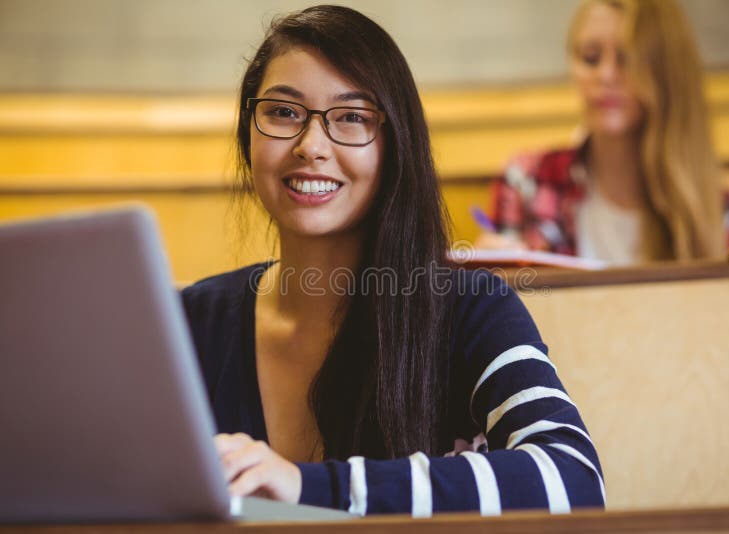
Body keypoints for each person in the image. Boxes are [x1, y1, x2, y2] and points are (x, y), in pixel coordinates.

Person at [181, 5, 604, 516]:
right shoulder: (188, 323)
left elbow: (573, 482)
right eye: (283, 112)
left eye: (352, 117)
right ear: (249, 133)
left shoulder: (470, 309)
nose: (311, 146)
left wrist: (310, 488)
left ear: (396, 146)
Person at [479, 0, 729, 264]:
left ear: (666, 73)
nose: (606, 75)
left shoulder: (724, 213)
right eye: (590, 58)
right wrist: (487, 281)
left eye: (626, 58)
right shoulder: (527, 182)